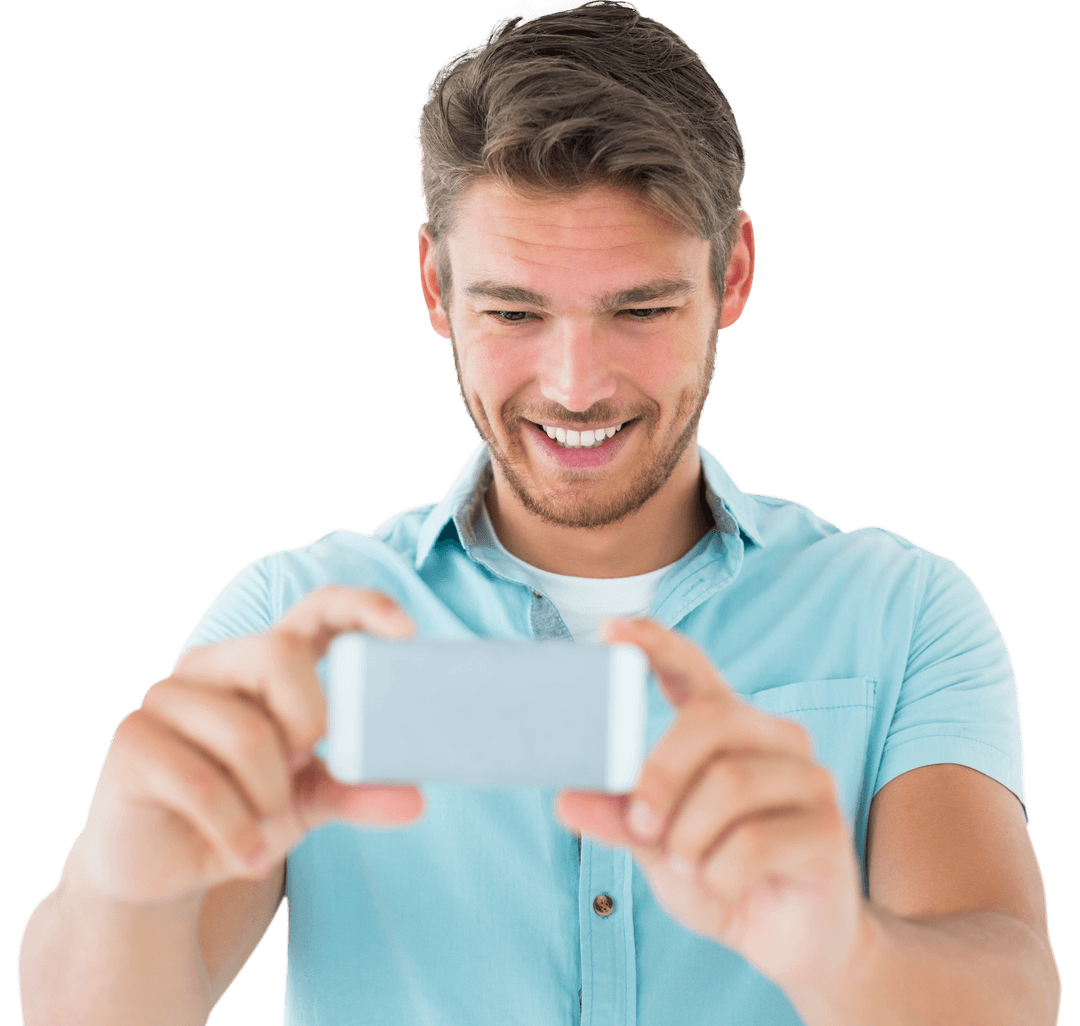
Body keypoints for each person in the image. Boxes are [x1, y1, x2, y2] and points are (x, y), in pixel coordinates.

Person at [17, 1, 1061, 1023]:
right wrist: (122, 882)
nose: (575, 385)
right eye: (513, 311)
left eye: (641, 309)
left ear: (732, 273)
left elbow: (1012, 991)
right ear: (433, 287)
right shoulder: (292, 619)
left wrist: (843, 950)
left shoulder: (902, 611)